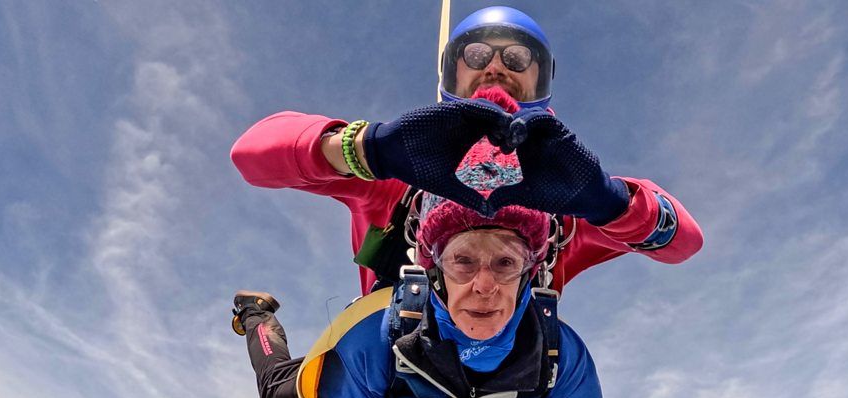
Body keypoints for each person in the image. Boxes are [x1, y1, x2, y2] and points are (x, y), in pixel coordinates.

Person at [230, 6, 703, 295]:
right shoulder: (399, 181)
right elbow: (252, 155)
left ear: (542, 78)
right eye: (475, 56)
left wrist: (610, 201)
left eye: (517, 58)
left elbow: (683, 242)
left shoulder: (565, 200)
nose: (495, 66)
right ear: (450, 73)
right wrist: (366, 148)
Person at [233, 179, 605, 398]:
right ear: (436, 268)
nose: (485, 285)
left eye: (506, 262)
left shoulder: (559, 353)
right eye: (463, 260)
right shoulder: (370, 331)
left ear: (529, 270)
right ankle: (255, 313)